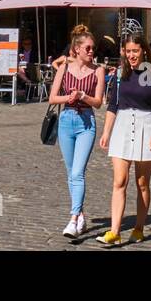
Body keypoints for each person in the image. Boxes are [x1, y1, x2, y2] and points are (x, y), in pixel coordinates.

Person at [96, 33, 151, 247]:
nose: (132, 55)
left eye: (135, 51)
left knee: (142, 183)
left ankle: (138, 228)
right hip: (123, 127)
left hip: (146, 125)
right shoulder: (119, 74)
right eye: (128, 51)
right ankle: (115, 231)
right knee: (119, 181)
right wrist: (106, 131)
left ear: (144, 50)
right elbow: (112, 105)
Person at [50, 25, 105, 238]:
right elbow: (53, 97)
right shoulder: (64, 67)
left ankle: (73, 220)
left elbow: (99, 102)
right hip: (66, 121)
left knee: (77, 173)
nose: (92, 52)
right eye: (88, 48)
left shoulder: (98, 70)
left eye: (93, 48)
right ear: (77, 49)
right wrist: (69, 98)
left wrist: (82, 95)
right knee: (70, 173)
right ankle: (80, 214)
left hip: (86, 123)